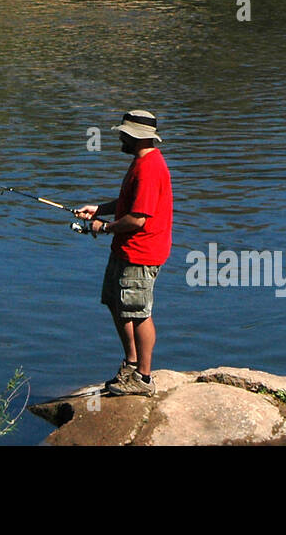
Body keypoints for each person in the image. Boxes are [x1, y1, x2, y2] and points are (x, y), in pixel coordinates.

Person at [75, 110, 173, 396]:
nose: (119, 136)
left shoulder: (150, 168)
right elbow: (128, 203)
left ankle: (143, 378)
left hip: (142, 253)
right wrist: (100, 208)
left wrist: (103, 227)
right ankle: (130, 364)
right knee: (116, 304)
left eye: (123, 133)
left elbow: (137, 219)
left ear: (136, 137)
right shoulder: (140, 162)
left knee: (139, 312)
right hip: (126, 250)